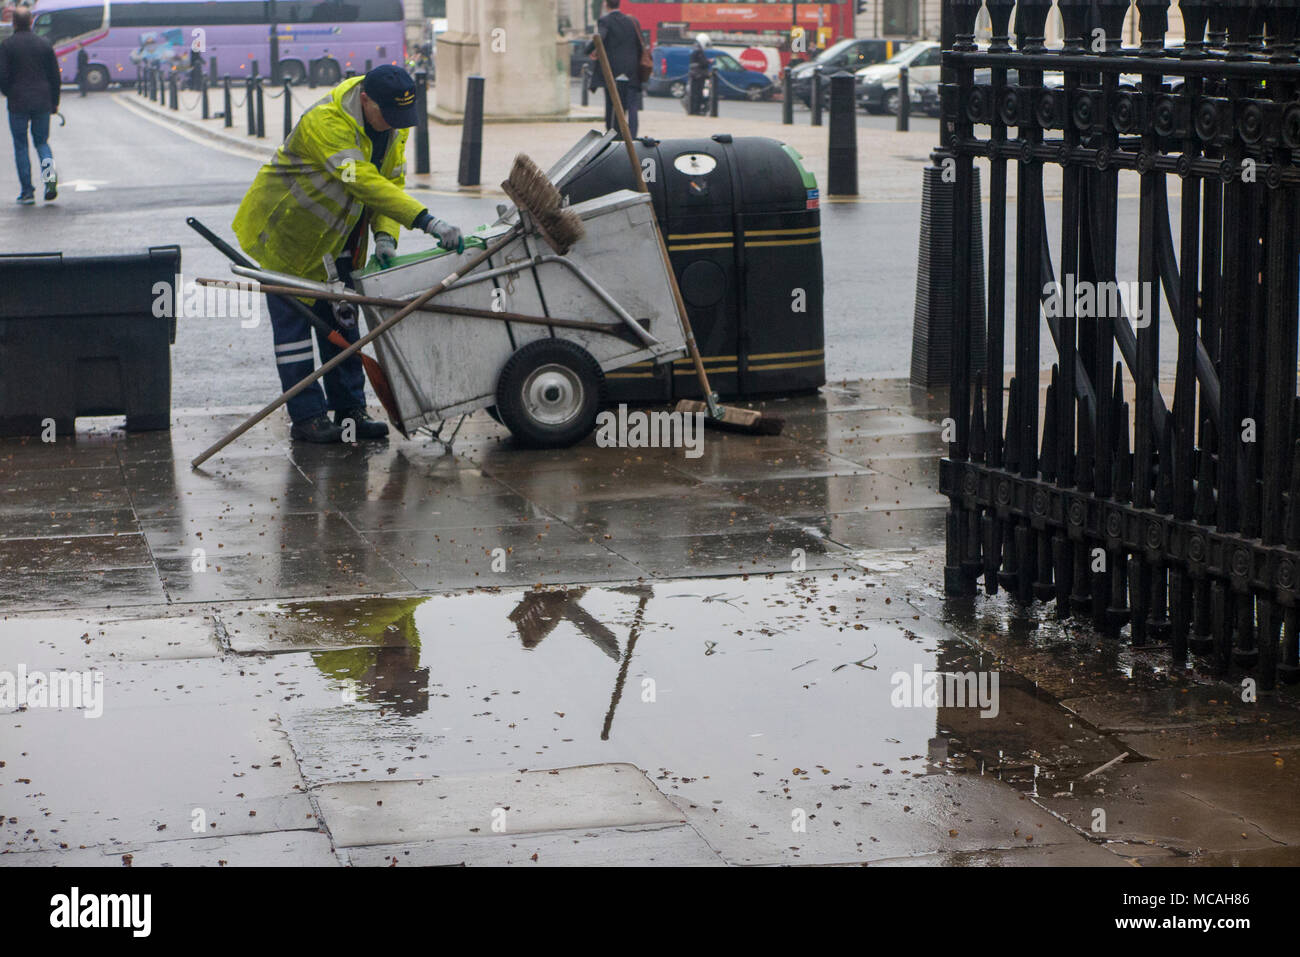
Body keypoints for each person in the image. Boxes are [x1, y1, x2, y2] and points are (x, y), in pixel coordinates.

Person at [232, 64, 464, 444]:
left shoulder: (393, 119)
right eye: (386, 116)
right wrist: (425, 220)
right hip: (291, 238)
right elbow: (362, 180)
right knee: (294, 333)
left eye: (400, 118)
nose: (393, 125)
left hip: (341, 237)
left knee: (341, 324)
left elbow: (391, 180)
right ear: (366, 99)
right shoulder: (326, 122)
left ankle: (350, 412)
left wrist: (386, 235)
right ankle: (307, 417)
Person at [0, 4, 59, 205]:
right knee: (42, 143)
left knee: (21, 146)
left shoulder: (7, 46)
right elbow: (54, 76)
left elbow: (3, 76)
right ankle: (50, 181)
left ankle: (27, 192)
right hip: (42, 99)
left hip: (17, 101)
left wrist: (9, 92)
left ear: (14, 23)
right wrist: (54, 102)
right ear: (32, 21)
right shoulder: (44, 44)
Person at [585, 0, 643, 138]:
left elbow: (600, 38)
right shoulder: (631, 21)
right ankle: (632, 135)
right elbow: (639, 44)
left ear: (606, 4)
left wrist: (588, 49)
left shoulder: (605, 21)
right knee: (632, 105)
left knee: (612, 104)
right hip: (632, 70)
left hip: (613, 70)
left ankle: (614, 134)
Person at [687, 33, 711, 116]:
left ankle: (693, 110)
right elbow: (703, 63)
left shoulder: (694, 50)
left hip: (694, 75)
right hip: (699, 75)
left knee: (694, 93)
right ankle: (696, 110)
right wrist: (709, 61)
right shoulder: (699, 51)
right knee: (698, 93)